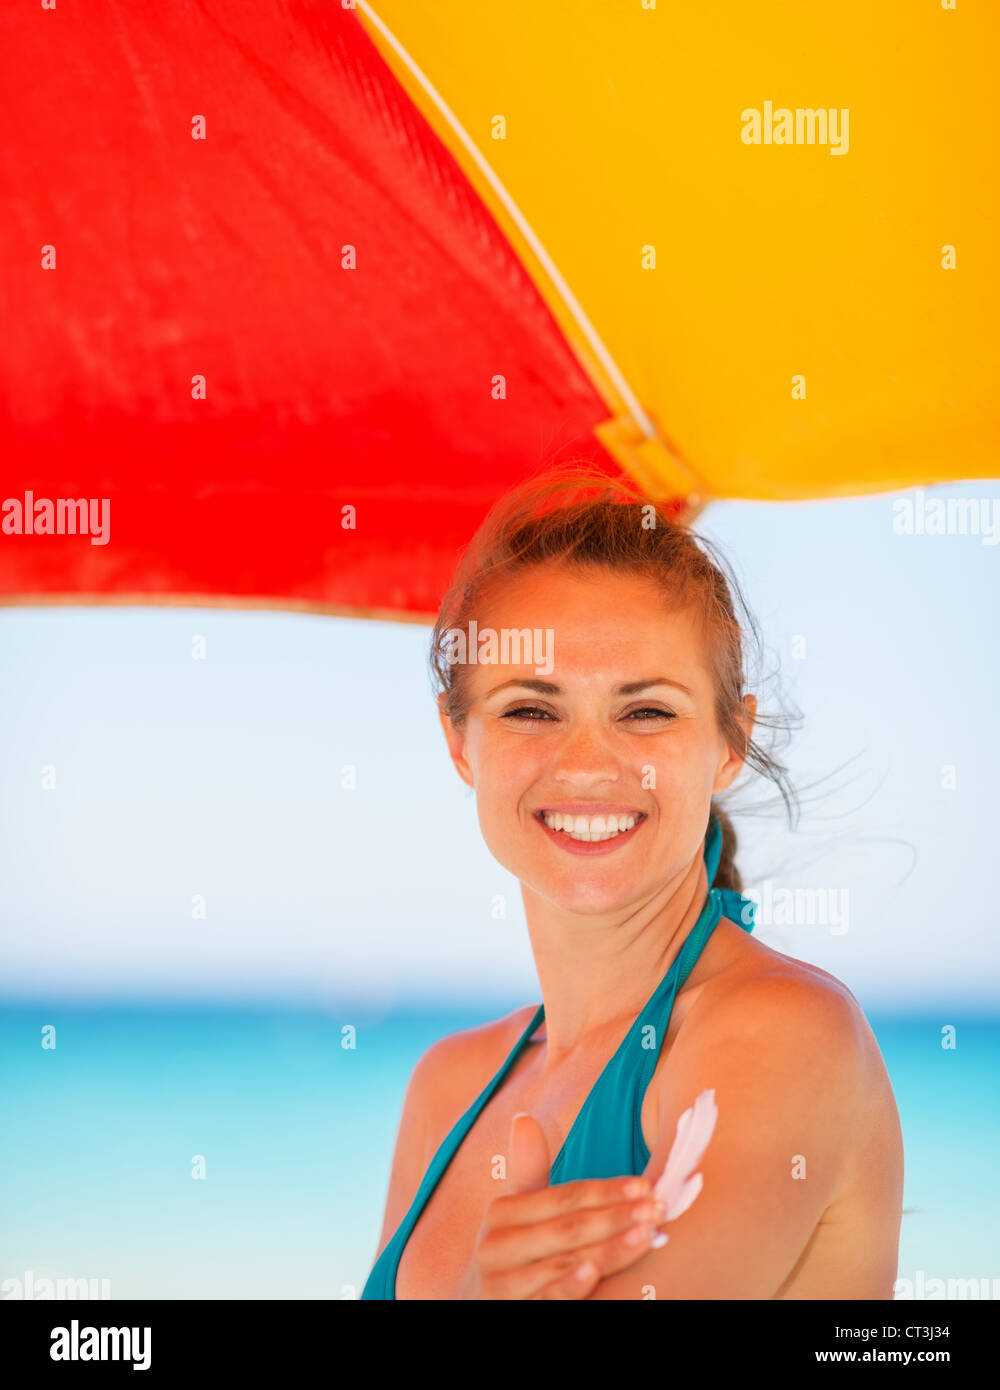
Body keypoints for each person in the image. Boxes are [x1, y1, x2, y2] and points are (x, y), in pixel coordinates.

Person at [361, 463, 903, 1300]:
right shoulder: (449, 1085)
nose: (586, 765)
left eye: (645, 710)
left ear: (729, 740)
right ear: (460, 741)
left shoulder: (786, 1036)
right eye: (531, 709)